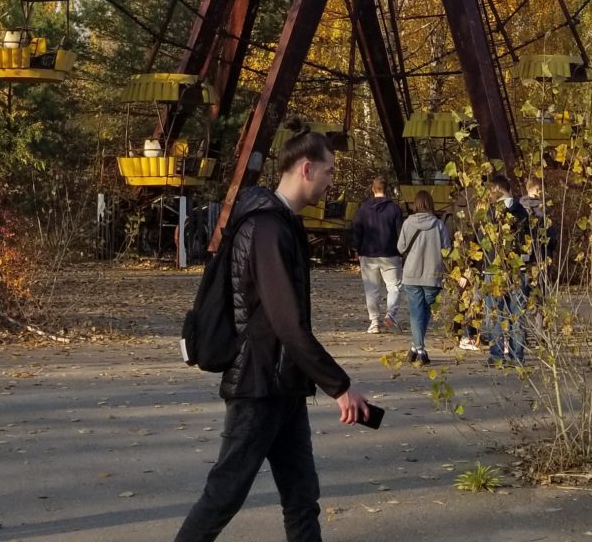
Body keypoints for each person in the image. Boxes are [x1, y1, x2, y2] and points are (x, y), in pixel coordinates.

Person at [175, 130, 370, 542]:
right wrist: (339, 386)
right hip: (258, 385)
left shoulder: (277, 222)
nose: (332, 180)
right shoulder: (267, 228)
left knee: (301, 497)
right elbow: (288, 322)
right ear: (306, 168)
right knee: (223, 495)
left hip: (283, 385)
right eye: (329, 171)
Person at [481, 177, 532, 367]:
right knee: (516, 314)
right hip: (517, 268)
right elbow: (529, 242)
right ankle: (517, 355)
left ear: (496, 189)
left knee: (495, 313)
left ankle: (496, 355)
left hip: (493, 269)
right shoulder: (522, 213)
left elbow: (482, 243)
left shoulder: (490, 213)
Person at [396, 190, 448, 365]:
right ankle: (418, 349)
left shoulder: (407, 223)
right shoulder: (439, 225)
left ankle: (416, 348)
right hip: (433, 275)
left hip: (411, 274)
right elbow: (446, 249)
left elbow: (401, 247)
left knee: (417, 313)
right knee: (424, 312)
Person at [351, 175, 404, 334]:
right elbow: (400, 231)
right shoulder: (394, 208)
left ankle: (374, 322)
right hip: (390, 253)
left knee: (371, 289)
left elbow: (358, 231)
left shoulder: (364, 208)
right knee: (394, 287)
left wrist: (358, 249)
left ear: (372, 189)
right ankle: (391, 314)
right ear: (386, 189)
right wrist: (401, 251)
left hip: (368, 253)